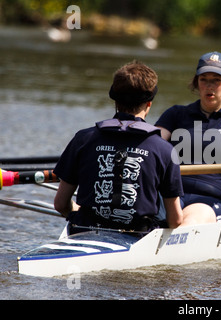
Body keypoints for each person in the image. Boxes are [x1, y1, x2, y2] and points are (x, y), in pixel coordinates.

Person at [54, 60, 184, 235]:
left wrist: (76, 212)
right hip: (137, 237)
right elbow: (175, 221)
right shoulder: (165, 150)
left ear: (114, 98)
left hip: (84, 230)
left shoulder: (83, 139)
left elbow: (61, 204)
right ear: (149, 104)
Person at [155, 51, 221, 225]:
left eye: (216, 80)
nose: (209, 86)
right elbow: (152, 147)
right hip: (171, 195)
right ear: (197, 82)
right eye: (204, 79)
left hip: (210, 201)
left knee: (190, 220)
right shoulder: (175, 114)